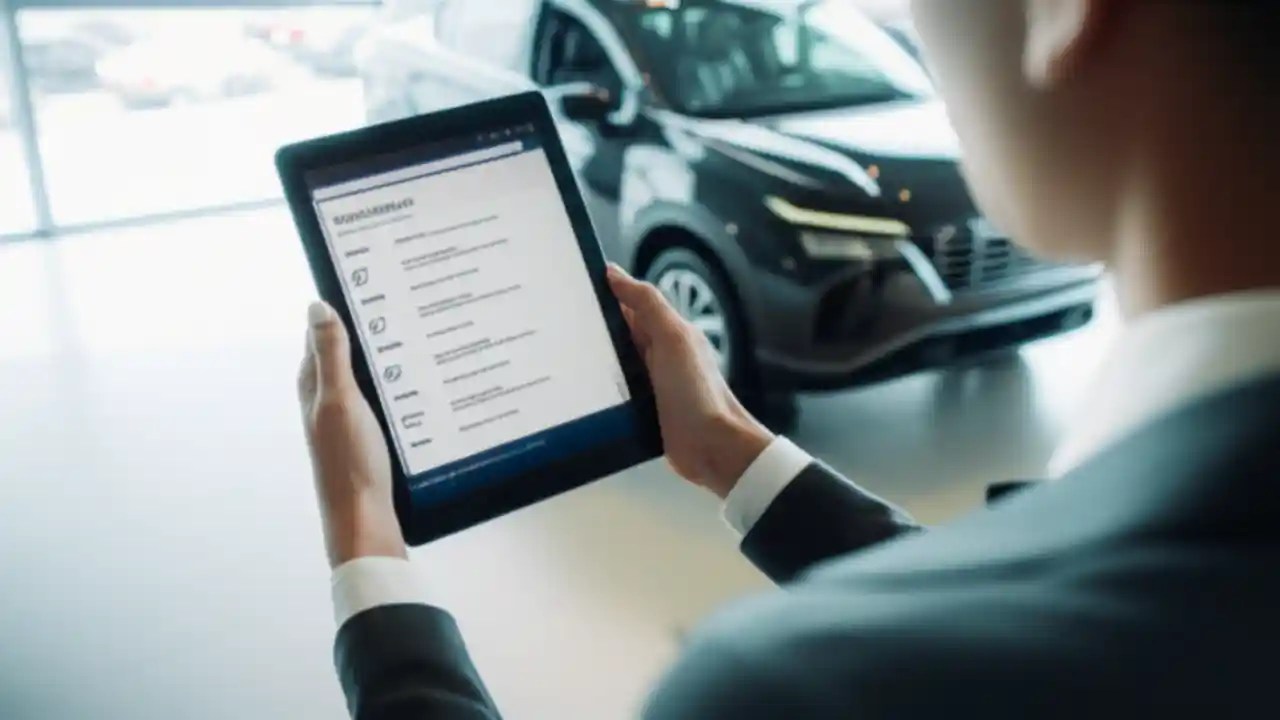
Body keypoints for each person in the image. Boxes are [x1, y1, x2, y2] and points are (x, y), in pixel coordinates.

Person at [296, 0, 1280, 717]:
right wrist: (726, 442)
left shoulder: (786, 692)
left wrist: (368, 553)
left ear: (1067, 12)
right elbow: (1054, 638)